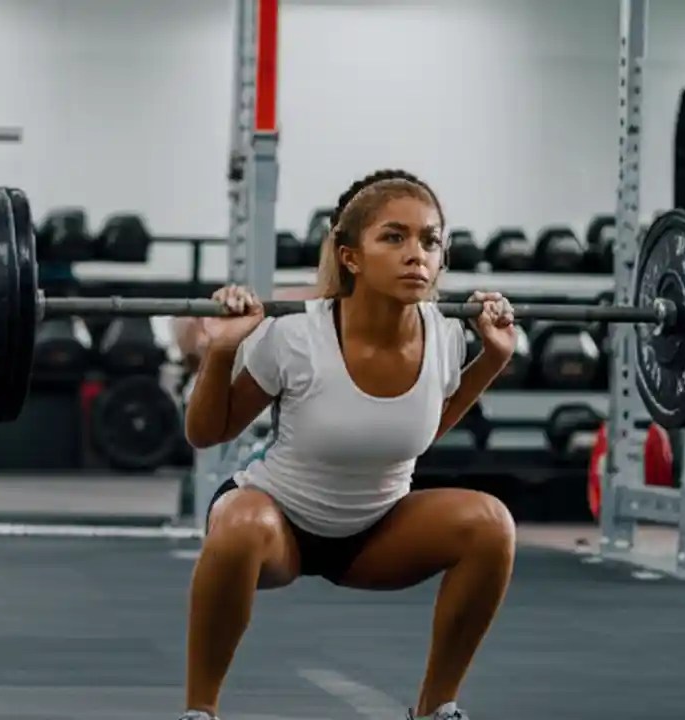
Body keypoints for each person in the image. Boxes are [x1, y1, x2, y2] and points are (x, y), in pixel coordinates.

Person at [178, 169, 518, 720]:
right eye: (394, 237)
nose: (417, 254)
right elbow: (206, 433)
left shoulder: (449, 335)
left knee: (491, 524)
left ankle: (435, 708)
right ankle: (200, 712)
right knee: (239, 523)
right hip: (278, 527)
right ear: (351, 256)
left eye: (430, 240)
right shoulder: (296, 334)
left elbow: (417, 433)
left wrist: (493, 360)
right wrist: (220, 352)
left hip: (376, 534)